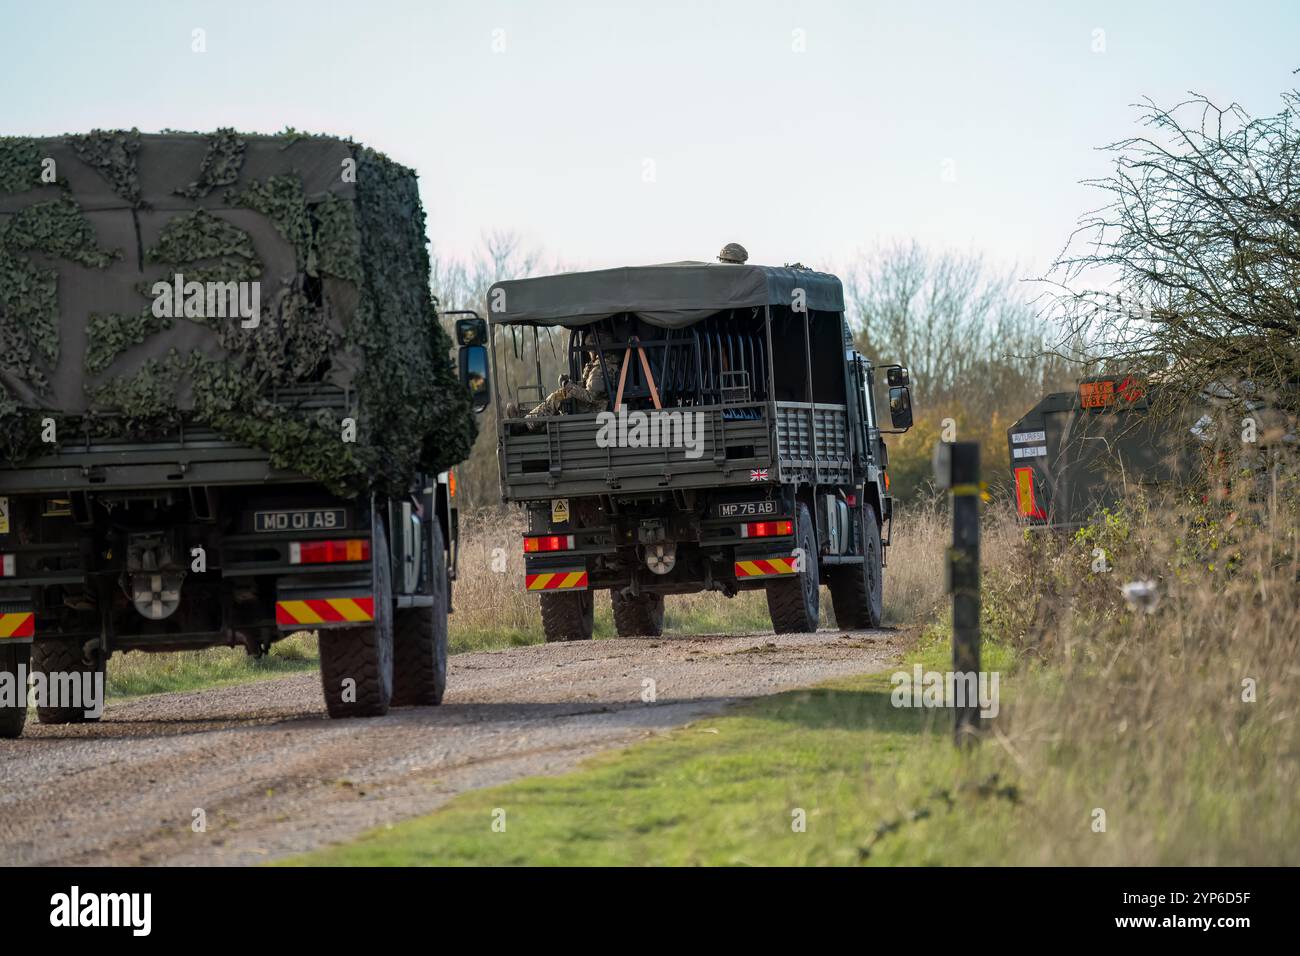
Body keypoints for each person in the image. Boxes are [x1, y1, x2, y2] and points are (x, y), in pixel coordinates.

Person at [505, 346, 621, 426]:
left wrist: (567, 385)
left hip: (594, 410)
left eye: (589, 350)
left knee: (557, 397)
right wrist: (570, 384)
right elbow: (590, 388)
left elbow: (591, 396)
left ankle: (525, 424)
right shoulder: (605, 365)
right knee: (561, 394)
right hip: (596, 407)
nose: (589, 353)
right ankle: (528, 418)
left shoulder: (600, 368)